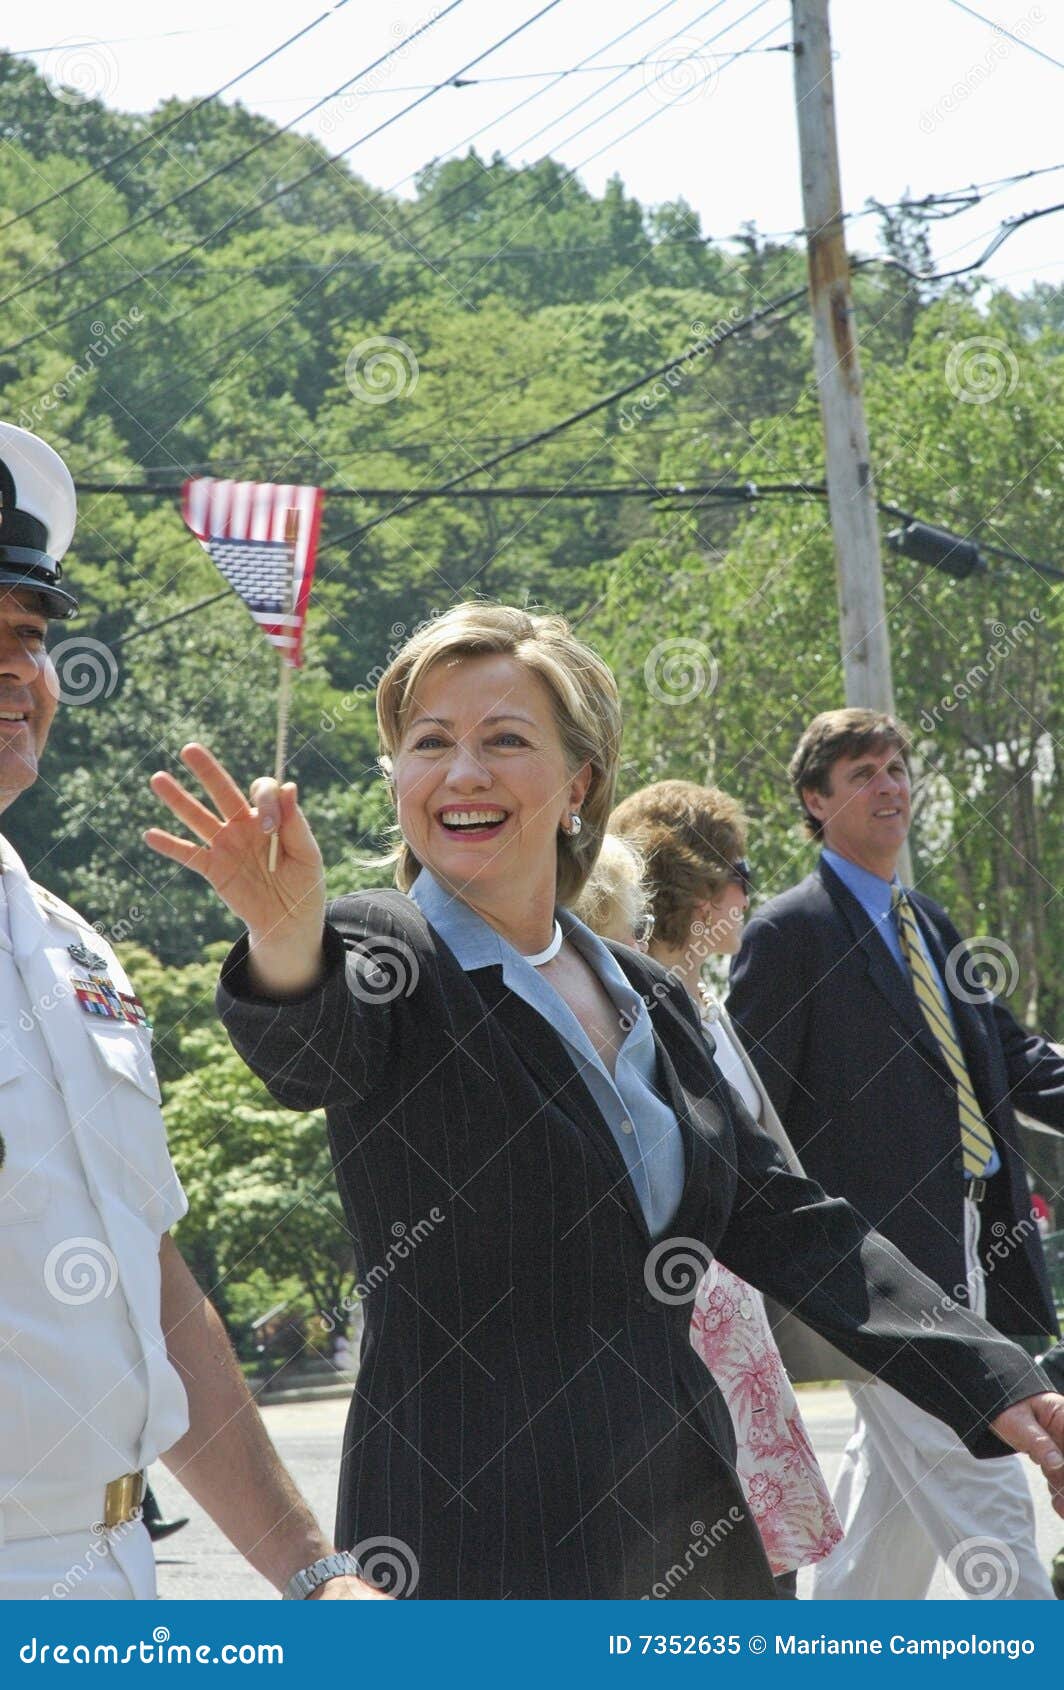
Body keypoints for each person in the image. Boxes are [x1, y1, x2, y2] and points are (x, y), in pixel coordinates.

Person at [146, 603, 1064, 1601]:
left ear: (578, 782)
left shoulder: (650, 994)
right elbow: (309, 1053)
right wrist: (284, 939)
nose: (462, 772)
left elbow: (781, 1216)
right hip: (466, 1541)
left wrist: (986, 1369)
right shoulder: (389, 948)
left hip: (686, 1525)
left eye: (504, 740)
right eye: (428, 743)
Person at [0, 422, 382, 1601]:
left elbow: (146, 1285)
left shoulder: (67, 946)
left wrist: (312, 1577)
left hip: (114, 1567)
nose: (18, 670)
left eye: (30, 636)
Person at [727, 706, 1064, 1600]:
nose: (890, 787)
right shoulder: (787, 934)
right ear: (815, 801)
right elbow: (746, 1109)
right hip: (875, 1271)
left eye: (897, 769)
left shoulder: (931, 924)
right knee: (980, 1467)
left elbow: (1012, 1056)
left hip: (974, 1240)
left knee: (885, 1523)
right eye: (864, 774)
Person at [576, 812, 841, 1596]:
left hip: (736, 1310)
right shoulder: (624, 1009)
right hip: (679, 1321)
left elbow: (759, 1170)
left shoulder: (700, 1004)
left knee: (768, 1562)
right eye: (737, 872)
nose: (745, 890)